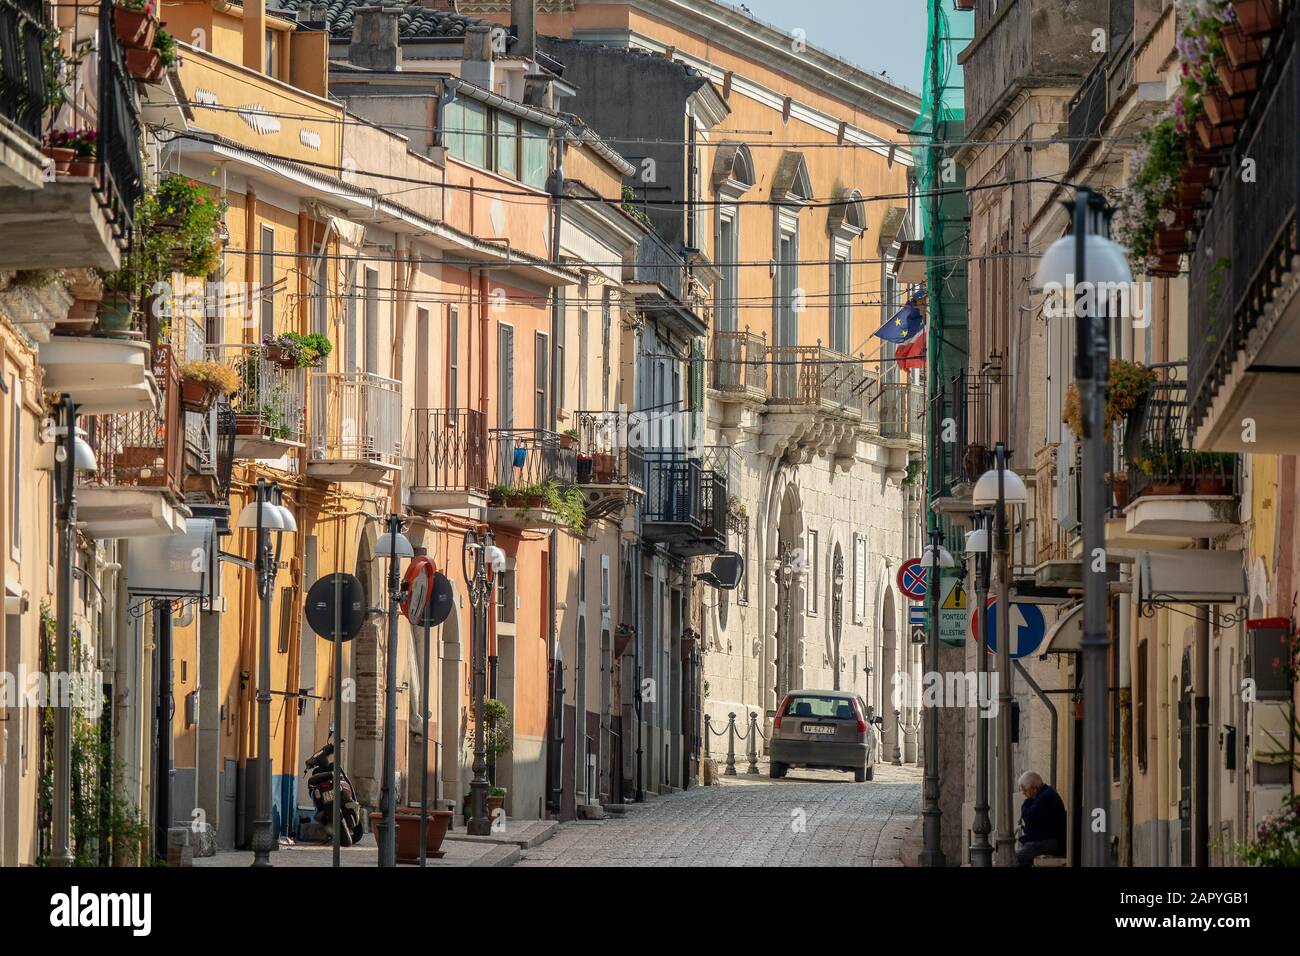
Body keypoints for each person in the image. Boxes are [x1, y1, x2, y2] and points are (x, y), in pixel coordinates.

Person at [1015, 770, 1065, 866]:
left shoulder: (1046, 797)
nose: (1023, 793)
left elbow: (1029, 818)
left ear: (1034, 788)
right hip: (1043, 840)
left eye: (1025, 790)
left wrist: (1027, 802)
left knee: (1014, 858)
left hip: (1050, 842)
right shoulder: (1042, 795)